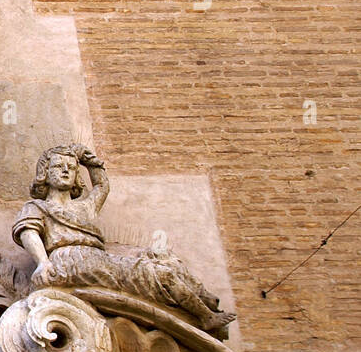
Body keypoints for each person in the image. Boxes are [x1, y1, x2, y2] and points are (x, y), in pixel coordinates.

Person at [13, 144, 234, 336]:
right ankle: (205, 316)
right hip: (71, 260)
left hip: (97, 259)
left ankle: (207, 306)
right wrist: (43, 262)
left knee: (168, 265)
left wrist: (89, 160)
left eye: (71, 168)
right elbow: (29, 232)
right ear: (45, 172)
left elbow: (101, 185)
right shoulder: (38, 207)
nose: (65, 170)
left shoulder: (85, 207)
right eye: (58, 166)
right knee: (159, 273)